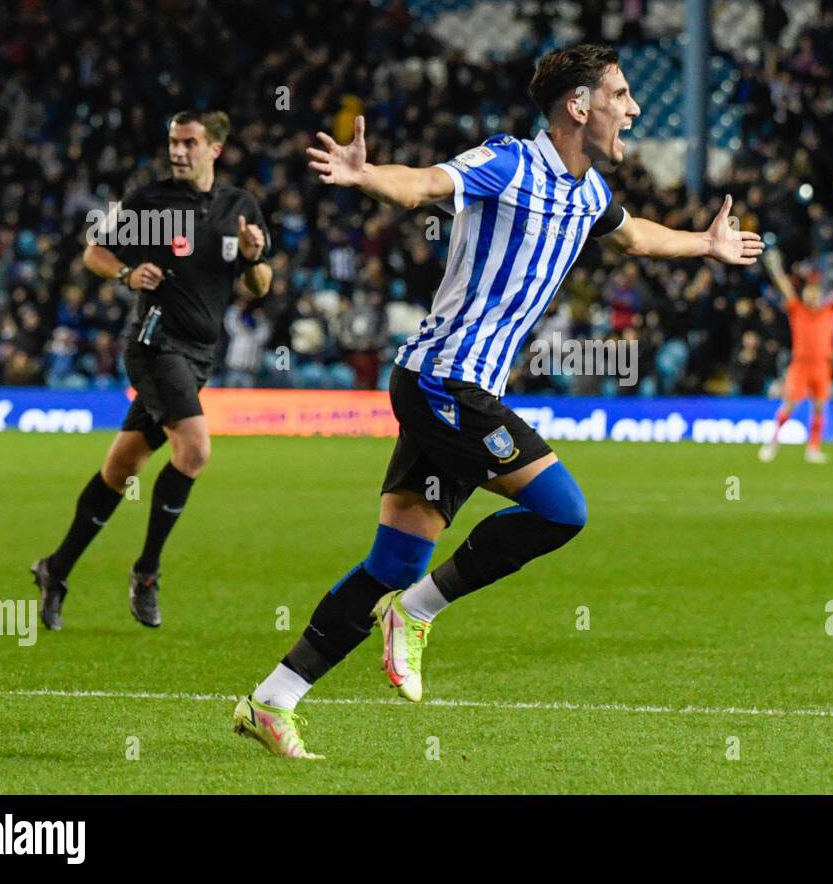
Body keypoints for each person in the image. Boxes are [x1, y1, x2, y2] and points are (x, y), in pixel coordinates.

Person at [232, 43, 762, 759]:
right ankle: (416, 616)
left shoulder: (589, 193)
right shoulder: (509, 162)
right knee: (562, 509)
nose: (632, 109)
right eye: (622, 95)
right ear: (580, 106)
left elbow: (635, 237)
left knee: (392, 562)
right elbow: (424, 185)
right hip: (444, 384)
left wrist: (706, 243)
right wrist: (367, 176)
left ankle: (274, 698)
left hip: (454, 389)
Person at [31, 111, 273, 629]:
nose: (178, 151)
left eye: (189, 143)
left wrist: (254, 260)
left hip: (201, 356)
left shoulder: (238, 208)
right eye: (173, 142)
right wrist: (125, 271)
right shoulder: (150, 202)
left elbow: (261, 287)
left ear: (215, 149)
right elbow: (94, 251)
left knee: (121, 470)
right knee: (195, 450)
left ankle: (56, 568)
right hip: (155, 344)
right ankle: (146, 573)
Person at [758, 252, 833, 463]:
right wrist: (775, 267)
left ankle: (813, 448)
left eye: (815, 294)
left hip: (821, 366)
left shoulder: (829, 310)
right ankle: (772, 442)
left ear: (819, 295)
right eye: (809, 294)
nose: (812, 297)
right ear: (805, 295)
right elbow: (785, 286)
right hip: (800, 366)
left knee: (819, 406)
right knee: (789, 405)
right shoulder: (797, 309)